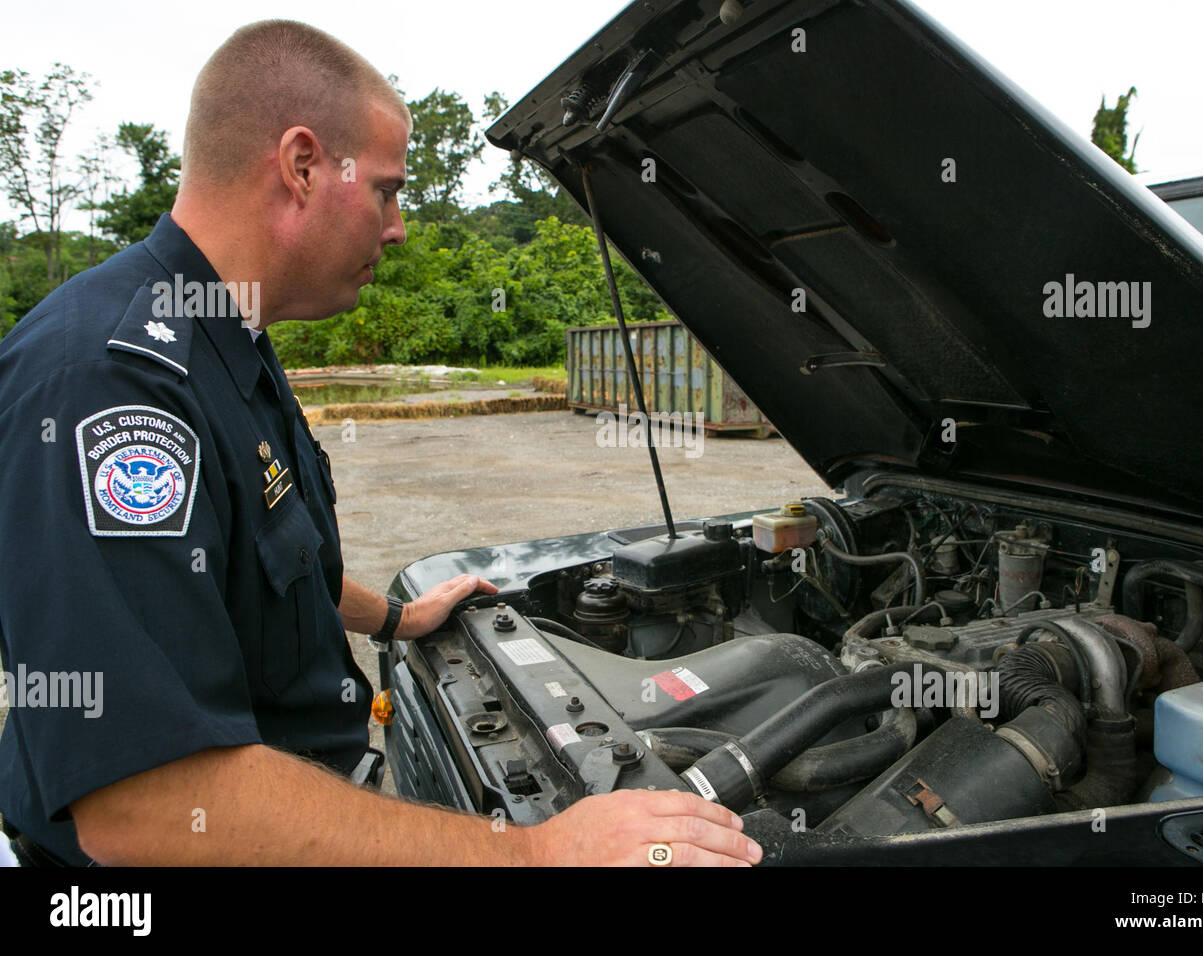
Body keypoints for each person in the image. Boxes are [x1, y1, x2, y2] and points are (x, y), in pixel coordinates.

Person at [0, 19, 761, 868]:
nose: (398, 227)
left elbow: (257, 569)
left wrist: (396, 617)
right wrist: (535, 855)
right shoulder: (113, 386)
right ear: (300, 166)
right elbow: (146, 803)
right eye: (389, 192)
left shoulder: (228, 336)